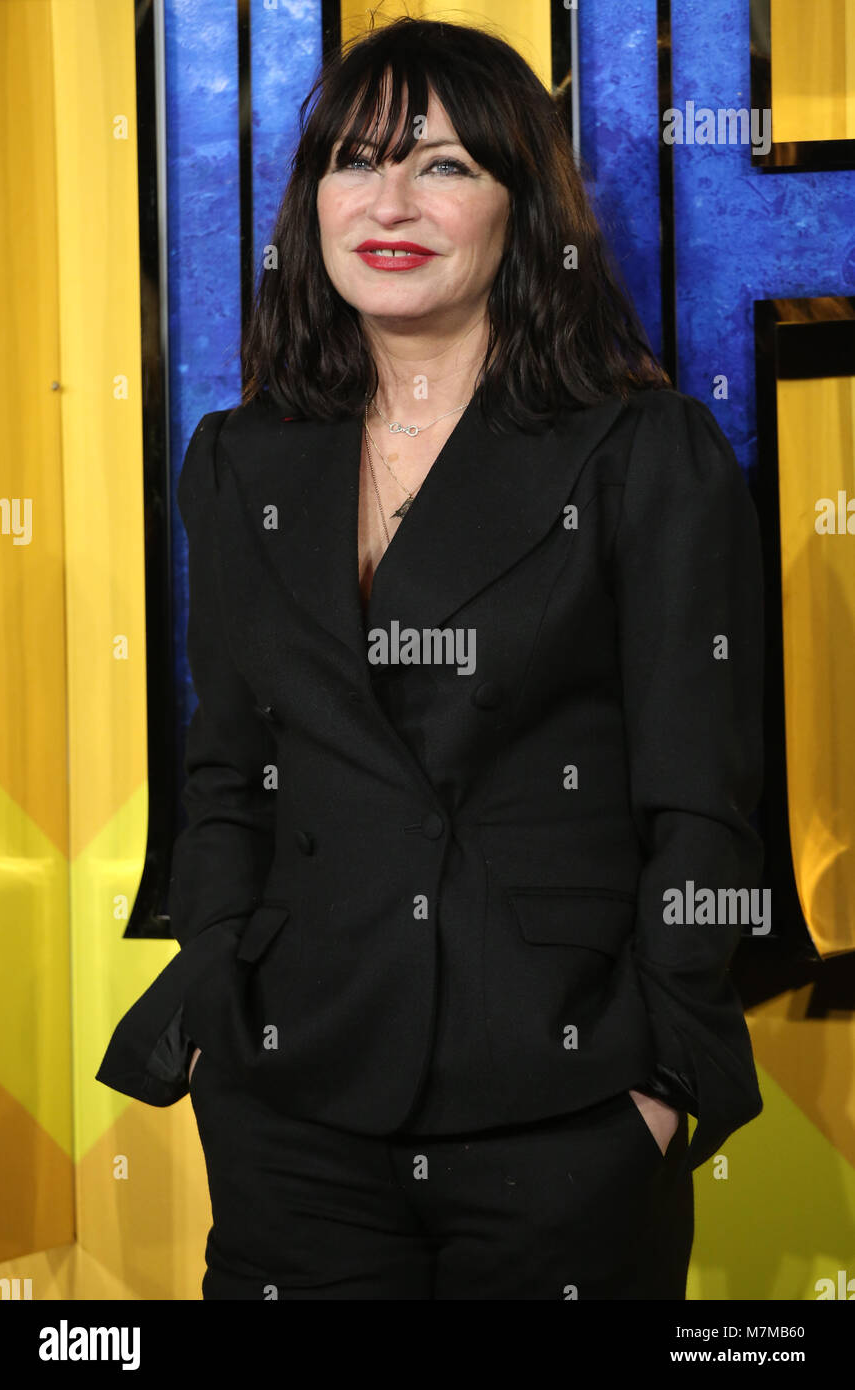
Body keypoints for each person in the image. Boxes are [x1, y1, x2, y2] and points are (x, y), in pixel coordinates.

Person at [97, 16, 765, 1300]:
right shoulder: (242, 462)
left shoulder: (643, 453)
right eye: (356, 161)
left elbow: (698, 802)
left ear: (526, 205)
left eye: (445, 165)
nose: (389, 200)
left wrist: (656, 1080)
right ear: (313, 201)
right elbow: (230, 770)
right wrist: (226, 998)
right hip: (293, 1103)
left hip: (565, 1105)